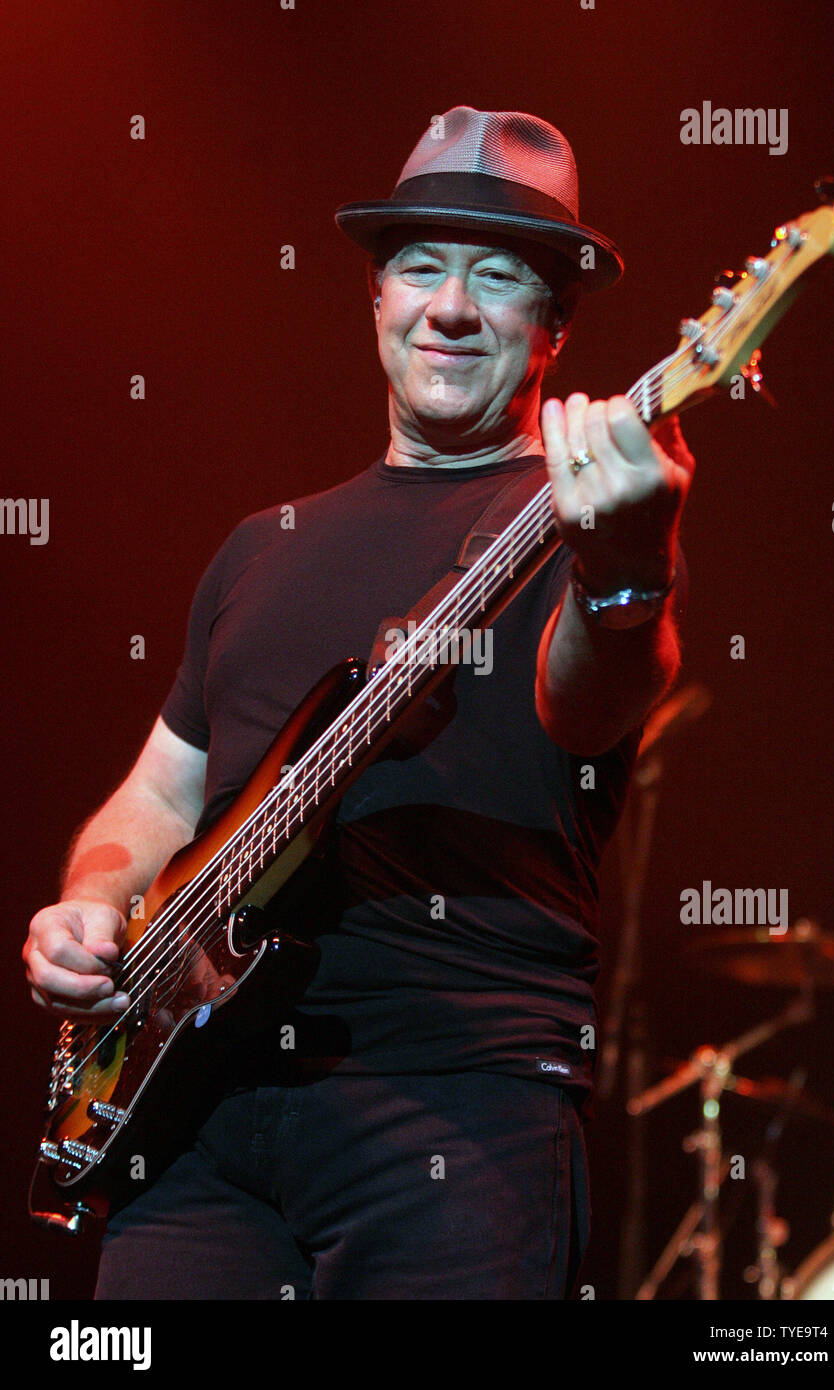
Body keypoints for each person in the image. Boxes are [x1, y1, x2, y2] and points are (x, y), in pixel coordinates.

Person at [23, 106, 694, 1299]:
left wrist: (624, 567)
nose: (449, 308)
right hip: (192, 1124)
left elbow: (591, 707)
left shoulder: (575, 517)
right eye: (421, 268)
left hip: (451, 1115)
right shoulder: (258, 549)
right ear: (374, 296)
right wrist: (87, 899)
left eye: (496, 278)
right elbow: (159, 792)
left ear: (553, 323)